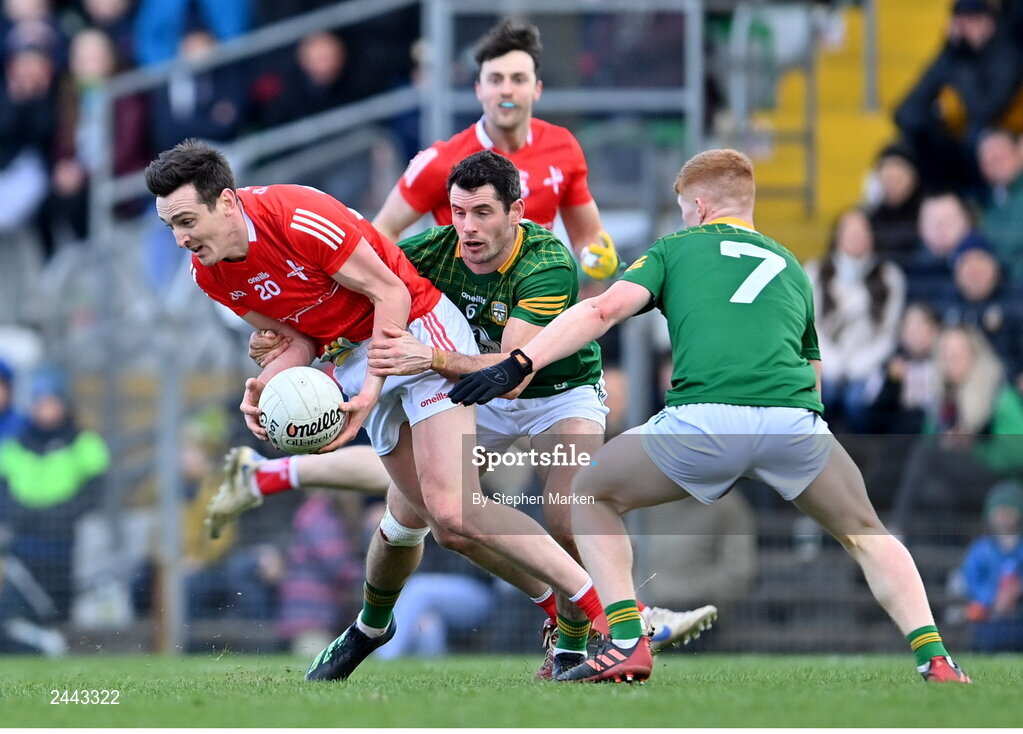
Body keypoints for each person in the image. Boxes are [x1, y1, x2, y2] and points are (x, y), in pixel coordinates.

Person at [451, 148, 972, 684]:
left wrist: (522, 361)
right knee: (868, 533)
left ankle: (628, 639)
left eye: (683, 209)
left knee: (587, 493)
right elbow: (812, 372)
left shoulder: (677, 247)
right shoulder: (791, 265)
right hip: (794, 423)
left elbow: (602, 310)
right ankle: (937, 660)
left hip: (705, 421)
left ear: (698, 207)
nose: (682, 217)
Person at [215, 151, 714, 679]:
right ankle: (369, 626)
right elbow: (350, 308)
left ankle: (579, 639)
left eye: (482, 213)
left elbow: (512, 373)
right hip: (467, 390)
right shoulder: (430, 251)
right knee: (425, 521)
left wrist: (427, 358)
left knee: (570, 512)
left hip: (554, 395)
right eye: (457, 212)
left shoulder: (547, 264)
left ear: (517, 212)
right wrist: (286, 342)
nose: (467, 228)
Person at [144, 138, 606, 682]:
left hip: (417, 330)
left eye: (184, 220)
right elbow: (299, 342)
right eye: (169, 225)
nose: (178, 239)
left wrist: (367, 395)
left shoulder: (298, 216)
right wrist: (266, 384)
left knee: (455, 509)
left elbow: (393, 293)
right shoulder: (209, 273)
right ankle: (376, 625)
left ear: (225, 202)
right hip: (356, 357)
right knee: (435, 525)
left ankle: (609, 618)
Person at [371, 19, 621, 281]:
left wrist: (598, 258)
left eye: (518, 79)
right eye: (495, 79)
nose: (506, 90)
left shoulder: (564, 147)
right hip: (462, 310)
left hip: (533, 298)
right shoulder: (442, 160)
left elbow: (586, 238)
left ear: (537, 89)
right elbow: (382, 230)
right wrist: (411, 291)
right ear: (479, 89)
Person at [803, 207, 905, 433]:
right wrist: (832, 362)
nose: (856, 236)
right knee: (821, 398)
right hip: (826, 362)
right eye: (849, 231)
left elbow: (889, 334)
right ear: (837, 236)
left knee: (857, 403)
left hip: (868, 364)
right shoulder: (815, 272)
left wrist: (860, 364)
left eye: (862, 231)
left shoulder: (889, 276)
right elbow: (811, 328)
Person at [960, 479, 1023, 652]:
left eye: (1008, 510)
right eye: (998, 511)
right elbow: (971, 581)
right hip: (990, 619)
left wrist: (1015, 591)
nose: (1003, 516)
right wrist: (993, 598)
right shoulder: (981, 550)